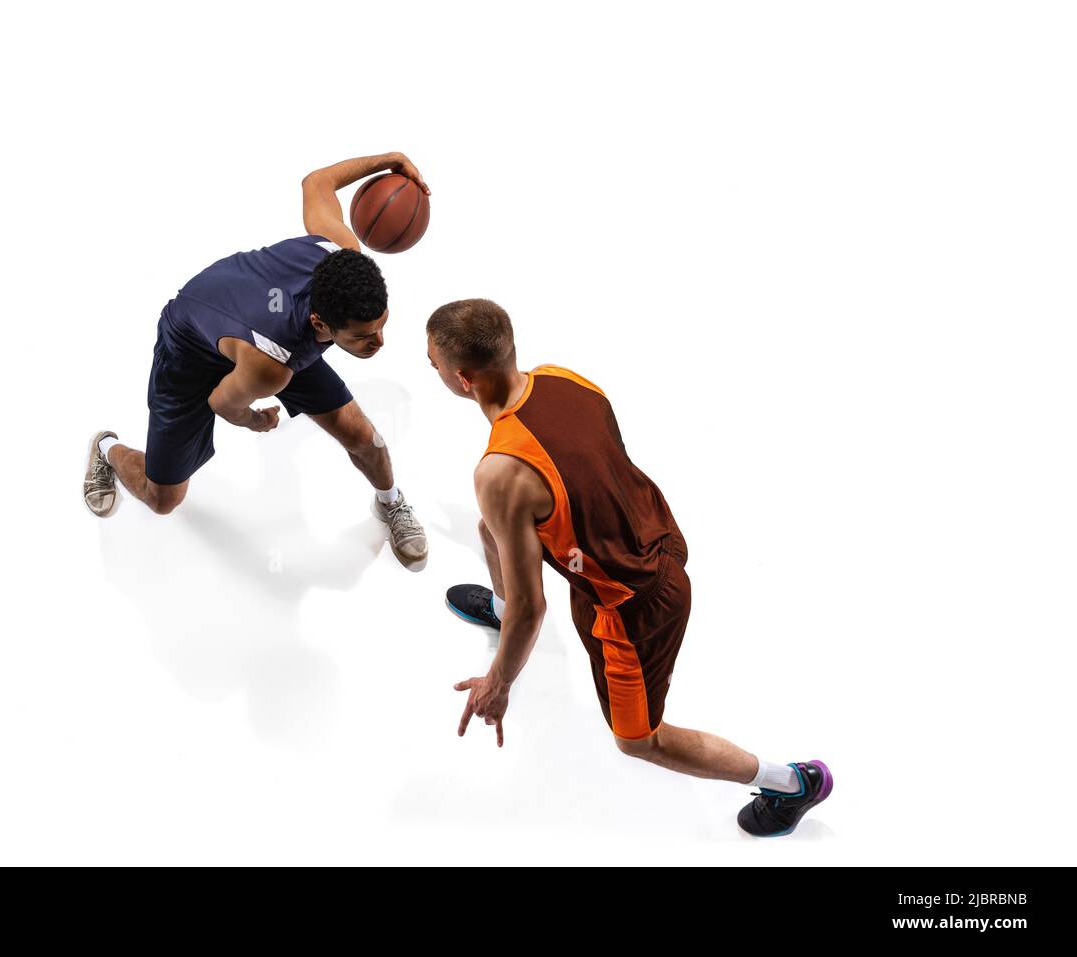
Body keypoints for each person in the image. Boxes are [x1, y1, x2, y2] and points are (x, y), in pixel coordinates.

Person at [427, 298, 832, 836]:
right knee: (491, 528)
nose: (430, 368)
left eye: (430, 361)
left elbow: (534, 610)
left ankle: (793, 783)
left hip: (633, 605)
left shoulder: (501, 473)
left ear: (461, 379)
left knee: (638, 739)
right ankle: (495, 609)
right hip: (655, 534)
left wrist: (498, 683)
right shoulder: (567, 379)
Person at [83, 152, 429, 568]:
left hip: (256, 329)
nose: (379, 342)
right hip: (190, 346)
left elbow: (316, 182)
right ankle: (106, 448)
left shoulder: (340, 252)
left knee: (363, 436)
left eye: (380, 326)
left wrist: (391, 160)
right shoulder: (273, 365)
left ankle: (390, 502)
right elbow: (222, 403)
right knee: (163, 500)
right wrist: (256, 419)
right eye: (362, 336)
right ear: (323, 322)